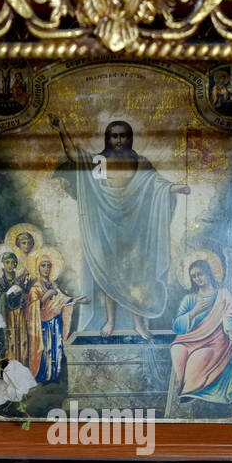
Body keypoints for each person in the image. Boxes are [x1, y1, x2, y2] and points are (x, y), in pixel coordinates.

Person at [48, 115, 190, 339]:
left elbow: (156, 184)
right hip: (106, 226)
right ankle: (111, 321)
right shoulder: (100, 162)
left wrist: (176, 188)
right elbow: (74, 156)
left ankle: (138, 324)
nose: (119, 140)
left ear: (129, 138)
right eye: (114, 136)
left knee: (137, 276)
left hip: (134, 227)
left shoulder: (139, 162)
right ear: (108, 139)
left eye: (123, 135)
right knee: (109, 275)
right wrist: (62, 129)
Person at [170, 256, 232, 405]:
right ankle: (185, 387)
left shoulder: (223, 294)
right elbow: (177, 326)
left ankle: (189, 391)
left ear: (209, 273)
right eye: (193, 276)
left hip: (217, 339)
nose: (197, 278)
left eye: (200, 274)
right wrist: (193, 313)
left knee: (199, 356)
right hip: (191, 338)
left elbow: (231, 313)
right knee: (177, 349)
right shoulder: (190, 299)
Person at [24, 250, 88, 383]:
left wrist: (76, 301)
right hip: (42, 325)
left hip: (56, 322)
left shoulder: (54, 285)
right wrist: (47, 295)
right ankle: (42, 376)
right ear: (37, 268)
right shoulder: (35, 288)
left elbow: (63, 300)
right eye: (43, 265)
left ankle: (54, 375)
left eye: (48, 265)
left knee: (56, 348)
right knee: (44, 349)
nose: (46, 269)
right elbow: (33, 306)